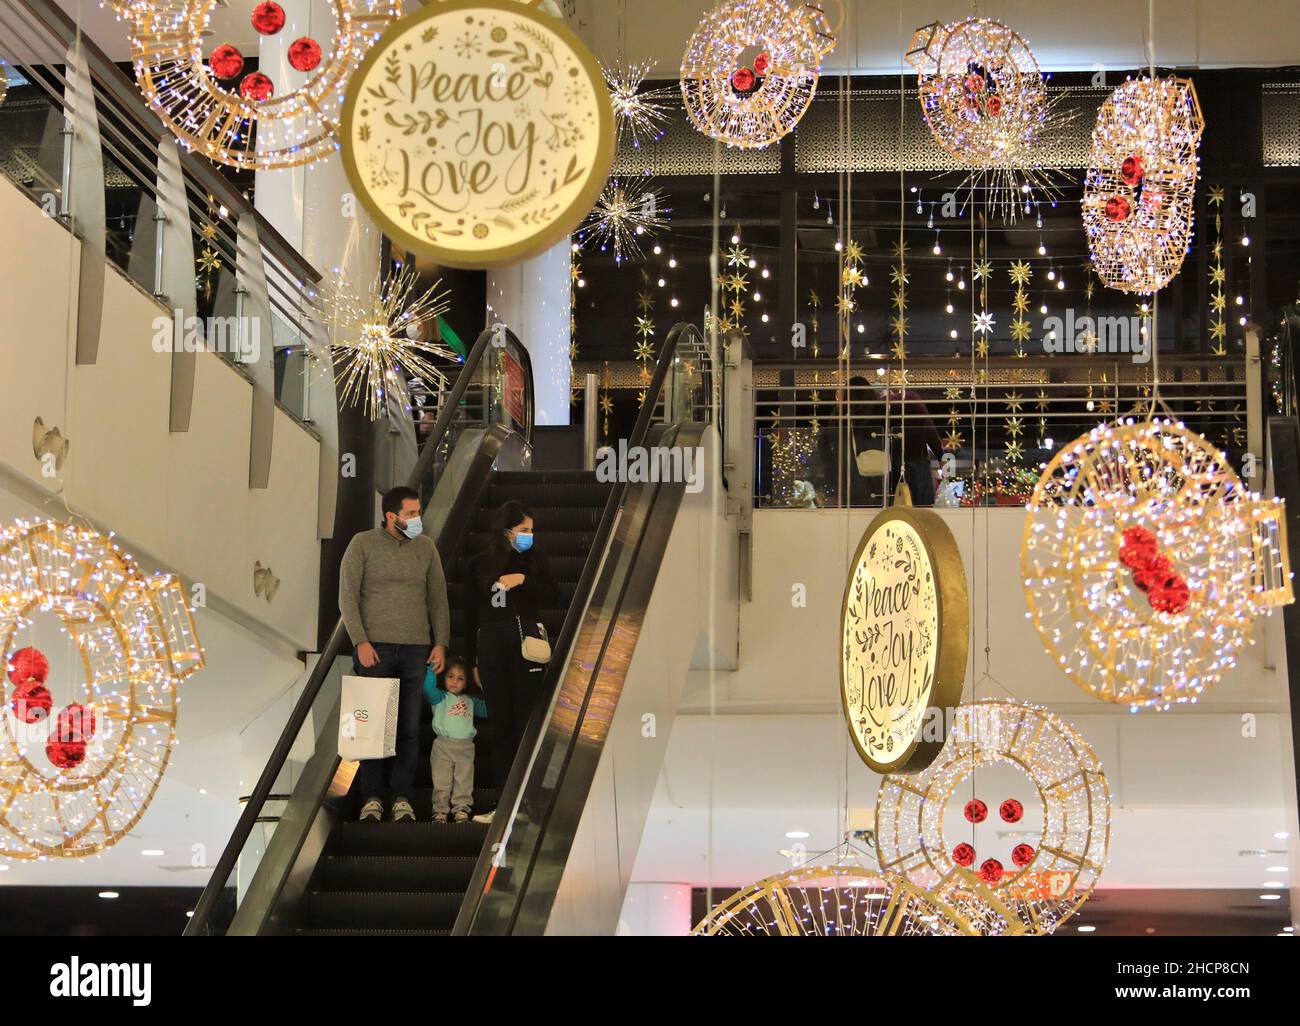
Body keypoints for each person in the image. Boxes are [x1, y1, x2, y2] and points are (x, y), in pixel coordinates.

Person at [339, 485, 449, 822]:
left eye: (418, 512)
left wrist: (440, 642)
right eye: (412, 514)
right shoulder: (362, 544)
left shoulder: (426, 548)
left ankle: (402, 795)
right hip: (375, 648)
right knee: (372, 724)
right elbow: (347, 596)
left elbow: (437, 598)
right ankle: (372, 795)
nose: (418, 519)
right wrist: (360, 641)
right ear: (391, 516)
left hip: (416, 648)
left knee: (409, 728)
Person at [464, 500, 556, 824]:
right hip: (491, 647)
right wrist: (471, 658)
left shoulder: (535, 561)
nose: (530, 535)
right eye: (524, 530)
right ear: (506, 531)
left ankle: (533, 801)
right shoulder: (480, 564)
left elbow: (554, 596)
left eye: (532, 530)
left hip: (525, 646)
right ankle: (506, 804)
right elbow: (470, 612)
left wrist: (523, 581)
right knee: (501, 727)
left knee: (527, 724)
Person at [422, 656, 485, 824]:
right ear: (444, 678)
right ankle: (440, 811)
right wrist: (432, 668)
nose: (455, 681)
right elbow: (427, 689)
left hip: (465, 747)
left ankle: (461, 810)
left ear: (466, 683)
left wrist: (484, 684)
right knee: (441, 780)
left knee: (464, 780)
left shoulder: (470, 701)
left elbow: (488, 709)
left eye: (460, 678)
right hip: (443, 745)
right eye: (450, 676)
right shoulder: (440, 698)